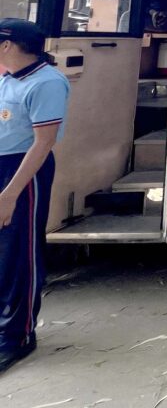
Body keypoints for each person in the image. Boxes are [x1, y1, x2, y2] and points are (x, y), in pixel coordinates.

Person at [0, 19, 70, 374]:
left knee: (19, 254)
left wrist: (9, 194)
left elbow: (43, 143)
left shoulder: (46, 82)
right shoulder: (9, 76)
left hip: (23, 173)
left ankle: (18, 336)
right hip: (4, 166)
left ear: (9, 45)